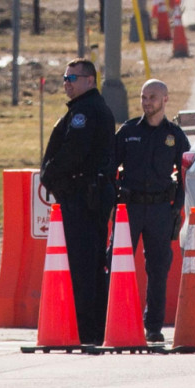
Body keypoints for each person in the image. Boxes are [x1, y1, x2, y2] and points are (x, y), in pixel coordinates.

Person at [40, 57, 116, 343]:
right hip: (86, 197)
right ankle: (90, 326)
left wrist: (51, 174)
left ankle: (87, 329)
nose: (66, 83)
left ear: (89, 81)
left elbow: (73, 153)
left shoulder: (86, 112)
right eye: (65, 77)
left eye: (72, 78)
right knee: (87, 264)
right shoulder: (85, 109)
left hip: (84, 198)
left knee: (84, 265)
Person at [114, 77, 190, 341]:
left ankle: (153, 327)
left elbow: (184, 176)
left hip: (160, 209)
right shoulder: (128, 131)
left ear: (165, 100)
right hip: (131, 207)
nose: (147, 103)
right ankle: (115, 320)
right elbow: (110, 166)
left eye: (153, 98)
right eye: (144, 98)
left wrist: (176, 210)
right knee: (117, 264)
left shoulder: (175, 136)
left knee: (158, 269)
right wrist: (114, 203)